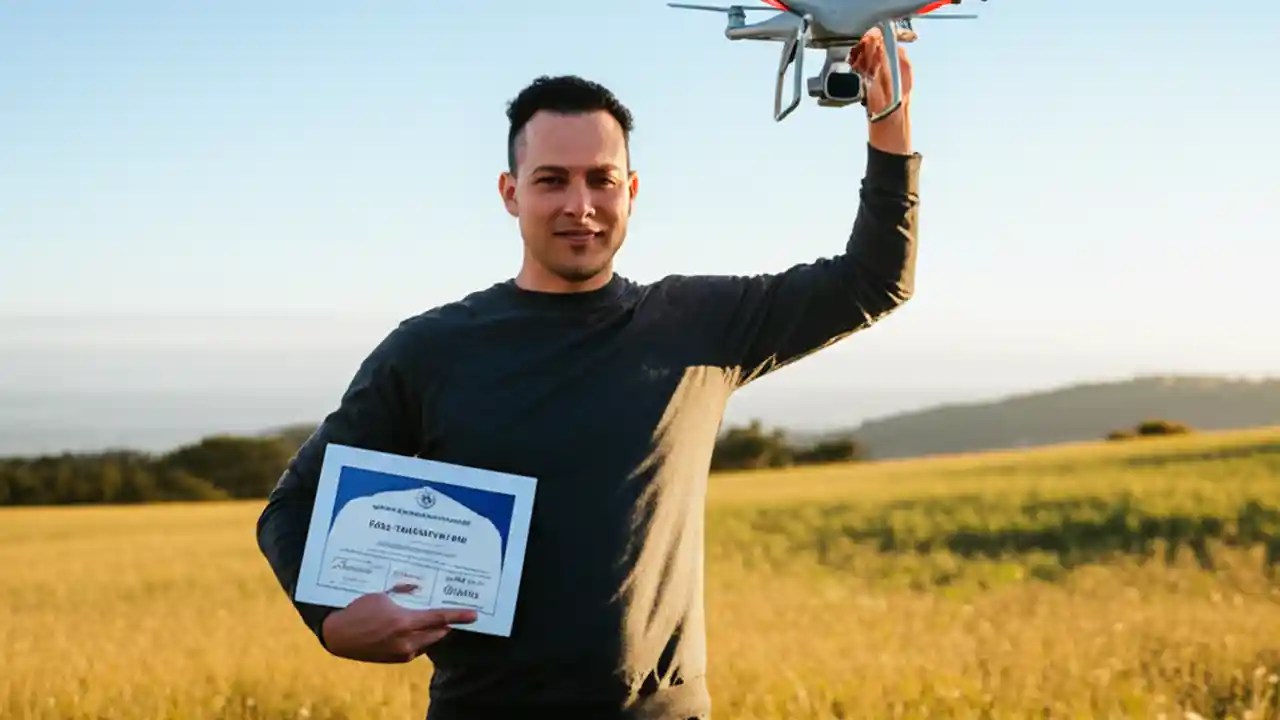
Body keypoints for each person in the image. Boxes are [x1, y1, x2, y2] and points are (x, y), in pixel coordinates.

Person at [256, 27, 920, 720]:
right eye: (551, 181)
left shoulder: (698, 323)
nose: (580, 206)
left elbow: (875, 282)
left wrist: (890, 118)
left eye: (601, 180)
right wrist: (331, 618)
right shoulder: (430, 348)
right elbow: (293, 505)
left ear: (630, 190)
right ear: (511, 193)